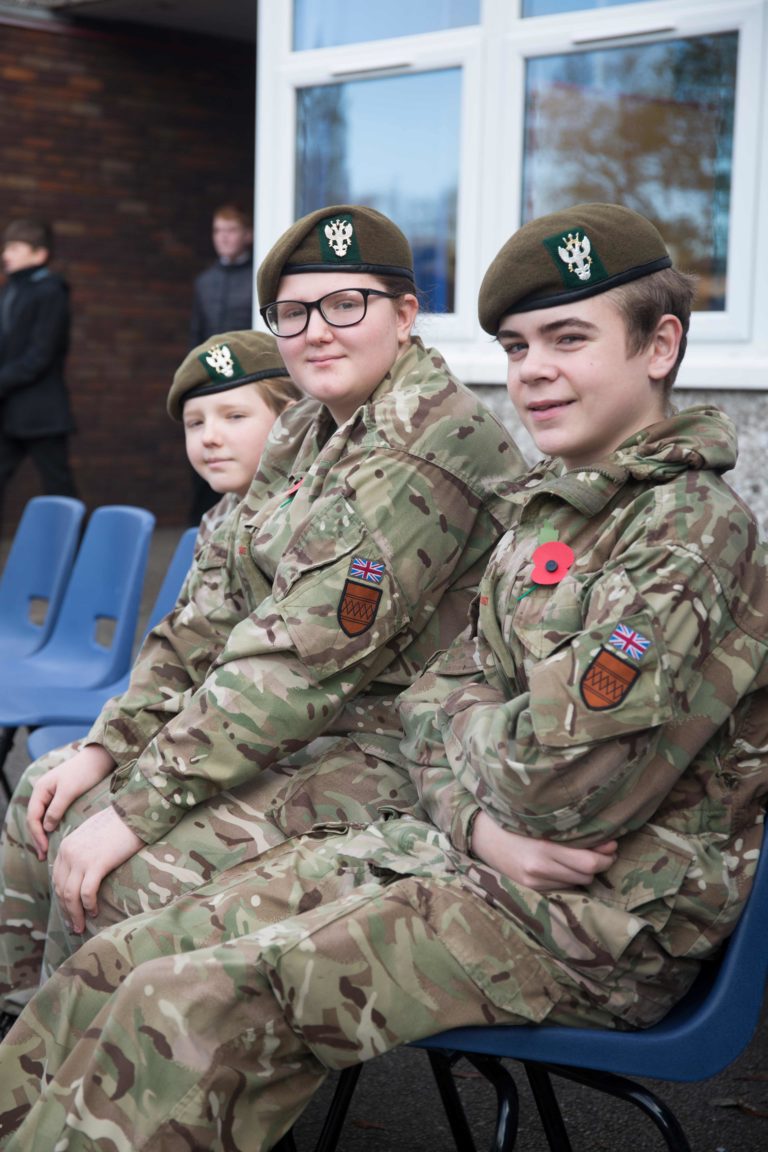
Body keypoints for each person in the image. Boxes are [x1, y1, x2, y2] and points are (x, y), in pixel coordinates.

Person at [3, 201, 765, 1152]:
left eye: (568, 339)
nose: (533, 370)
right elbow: (432, 702)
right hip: (472, 852)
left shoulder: (686, 536)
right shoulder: (555, 509)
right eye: (518, 346)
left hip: (596, 921)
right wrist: (475, 796)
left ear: (661, 346)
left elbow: (559, 788)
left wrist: (465, 742)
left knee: (186, 998)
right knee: (126, 957)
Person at [0, 204, 527, 1029]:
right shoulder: (310, 428)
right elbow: (208, 617)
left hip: (396, 754)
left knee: (123, 876)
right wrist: (110, 745)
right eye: (293, 312)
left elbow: (295, 663)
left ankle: (82, 1071)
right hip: (308, 734)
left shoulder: (424, 441)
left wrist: (138, 807)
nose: (317, 331)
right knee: (50, 794)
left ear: (405, 314)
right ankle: (24, 1036)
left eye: (345, 305)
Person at [0, 329, 299, 1028]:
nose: (210, 437)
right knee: (42, 787)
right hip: (209, 737)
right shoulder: (223, 519)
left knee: (105, 854)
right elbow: (178, 655)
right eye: (195, 422)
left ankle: (72, 1041)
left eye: (235, 415)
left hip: (282, 752)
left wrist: (140, 782)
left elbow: (274, 685)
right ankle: (20, 1013)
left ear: (292, 420)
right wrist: (104, 748)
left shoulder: (311, 519)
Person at [0, 217, 78, 533]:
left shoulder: (51, 292)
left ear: (39, 254)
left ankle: (76, 550)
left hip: (42, 412)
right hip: (9, 410)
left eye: (15, 247)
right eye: (6, 247)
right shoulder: (10, 290)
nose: (6, 254)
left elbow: (40, 356)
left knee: (58, 487)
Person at [189, 205, 256, 522]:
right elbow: (196, 335)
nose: (223, 238)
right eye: (218, 231)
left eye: (231, 231)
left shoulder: (256, 276)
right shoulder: (205, 281)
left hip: (246, 381)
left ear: (247, 235)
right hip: (210, 383)